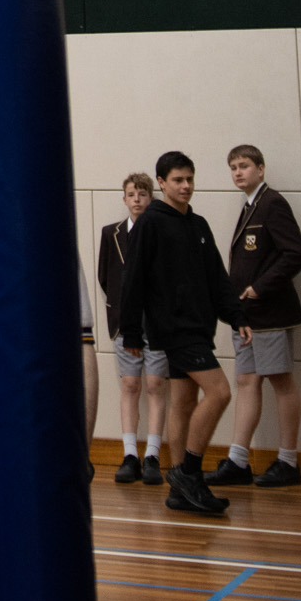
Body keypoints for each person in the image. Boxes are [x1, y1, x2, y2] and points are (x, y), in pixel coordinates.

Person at [119, 149, 252, 517]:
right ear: (161, 183)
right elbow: (133, 280)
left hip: (199, 326)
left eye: (190, 179)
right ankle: (190, 472)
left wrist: (235, 315)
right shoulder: (151, 223)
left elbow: (218, 279)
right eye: (178, 180)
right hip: (173, 329)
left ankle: (179, 490)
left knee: (184, 402)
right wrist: (130, 331)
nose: (186, 186)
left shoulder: (199, 225)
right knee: (221, 391)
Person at [210, 144, 301, 488]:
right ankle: (237, 459)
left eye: (245, 166)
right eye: (233, 166)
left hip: (270, 313)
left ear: (261, 169)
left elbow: (296, 253)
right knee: (246, 381)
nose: (238, 172)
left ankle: (288, 461)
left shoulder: (272, 203)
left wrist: (259, 288)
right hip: (246, 315)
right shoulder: (249, 205)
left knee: (280, 381)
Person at [97, 173, 168, 484]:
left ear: (151, 198)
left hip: (156, 323)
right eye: (131, 194)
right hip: (125, 324)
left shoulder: (161, 231)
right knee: (129, 386)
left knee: (155, 385)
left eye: (142, 193)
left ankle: (152, 453)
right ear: (124, 199)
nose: (137, 199)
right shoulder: (110, 233)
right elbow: (105, 277)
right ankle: (130, 454)